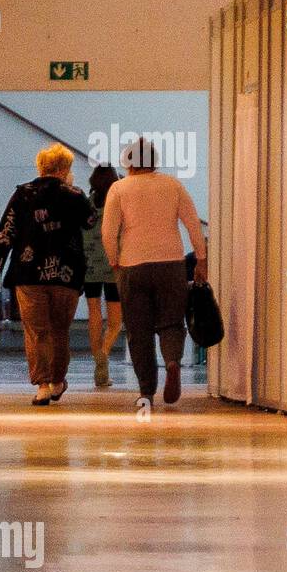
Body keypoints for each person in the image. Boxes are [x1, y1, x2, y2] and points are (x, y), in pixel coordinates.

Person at [0, 143, 97, 406]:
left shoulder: (23, 194)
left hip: (28, 274)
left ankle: (43, 386)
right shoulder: (75, 195)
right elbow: (91, 221)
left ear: (41, 167)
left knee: (37, 331)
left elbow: (5, 233)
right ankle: (58, 381)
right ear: (64, 169)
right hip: (67, 275)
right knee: (60, 330)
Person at [102, 138, 208, 406]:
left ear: (128, 162)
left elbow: (108, 233)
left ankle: (146, 390)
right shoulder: (173, 185)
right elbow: (193, 224)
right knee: (171, 323)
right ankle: (172, 362)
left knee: (139, 331)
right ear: (154, 161)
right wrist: (201, 259)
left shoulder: (119, 188)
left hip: (132, 265)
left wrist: (114, 261)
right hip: (171, 265)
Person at [84, 163, 124, 388]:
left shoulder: (86, 203)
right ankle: (103, 354)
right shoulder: (118, 202)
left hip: (89, 265)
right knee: (116, 321)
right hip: (113, 264)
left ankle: (96, 358)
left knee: (94, 314)